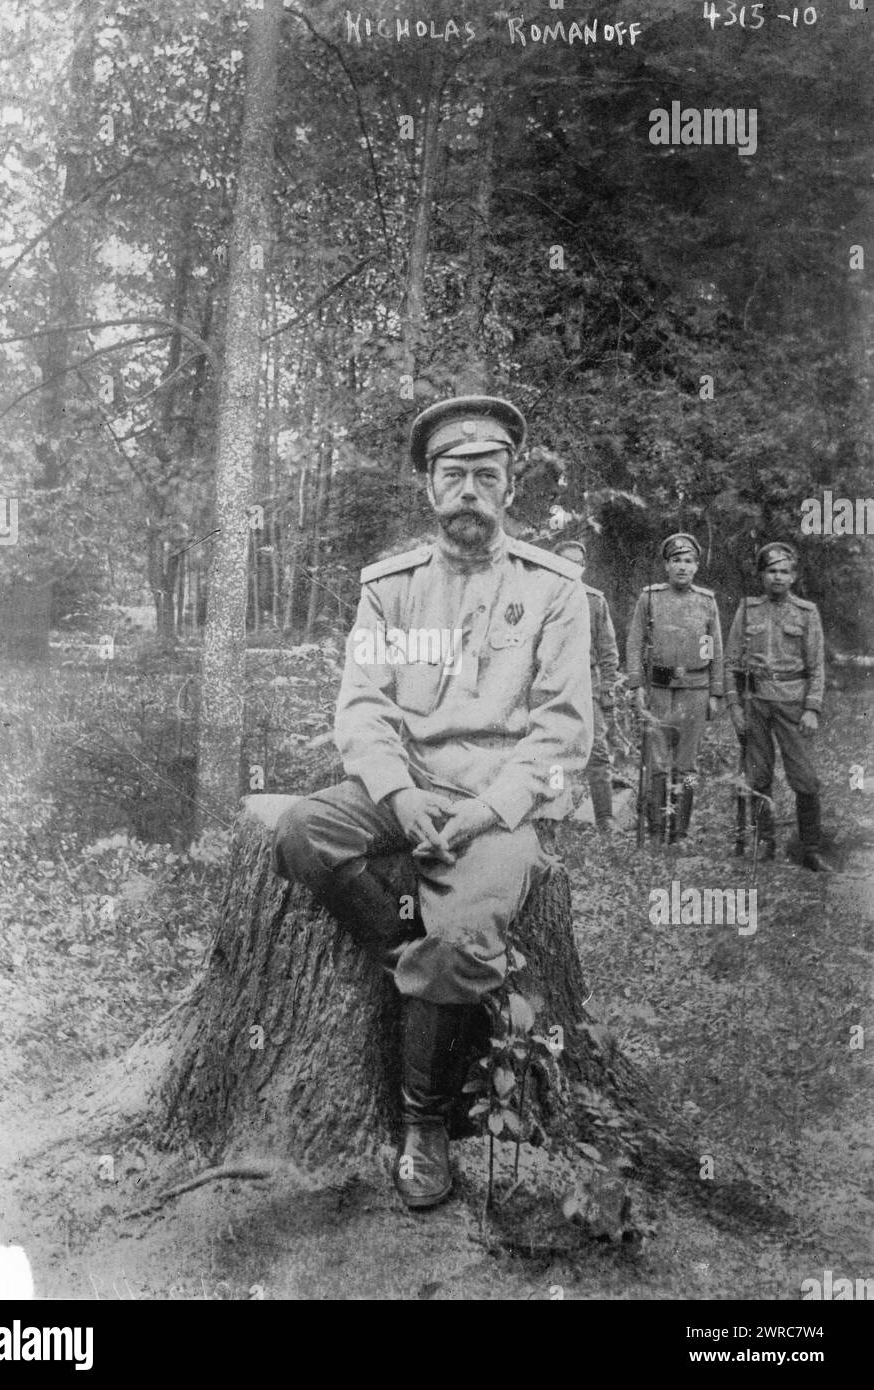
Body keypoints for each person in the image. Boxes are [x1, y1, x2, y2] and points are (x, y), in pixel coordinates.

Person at [272, 396, 592, 1210]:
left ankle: (426, 1125)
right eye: (454, 476)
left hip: (499, 805)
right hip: (406, 787)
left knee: (460, 941)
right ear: (429, 488)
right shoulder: (392, 588)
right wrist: (400, 793)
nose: (470, 494)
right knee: (304, 832)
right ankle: (404, 947)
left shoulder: (555, 592)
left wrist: (487, 811)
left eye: (488, 476)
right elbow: (364, 707)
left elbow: (561, 736)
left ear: (510, 488)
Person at [724, 542, 831, 872]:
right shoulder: (748, 609)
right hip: (755, 703)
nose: (778, 577)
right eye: (772, 571)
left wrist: (812, 708)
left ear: (794, 575)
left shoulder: (806, 612)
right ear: (762, 575)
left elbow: (816, 666)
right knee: (759, 775)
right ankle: (765, 841)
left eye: (785, 571)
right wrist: (734, 707)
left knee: (805, 777)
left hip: (793, 704)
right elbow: (730, 662)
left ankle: (811, 847)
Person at [626, 533, 724, 843]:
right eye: (676, 561)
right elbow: (634, 643)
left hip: (695, 690)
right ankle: (656, 830)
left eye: (688, 562)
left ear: (696, 567)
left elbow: (712, 648)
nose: (682, 567)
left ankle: (680, 831)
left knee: (688, 767)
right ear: (667, 565)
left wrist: (715, 691)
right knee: (657, 763)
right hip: (659, 689)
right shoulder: (650, 598)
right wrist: (636, 685)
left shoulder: (706, 602)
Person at [557, 540, 620, 835]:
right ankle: (555, 809)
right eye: (565, 561)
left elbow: (608, 650)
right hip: (553, 686)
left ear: (584, 566)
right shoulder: (541, 598)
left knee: (597, 751)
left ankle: (605, 817)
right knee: (555, 752)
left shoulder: (595, 601)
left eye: (577, 563)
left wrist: (607, 687)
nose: (572, 568)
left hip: (588, 685)